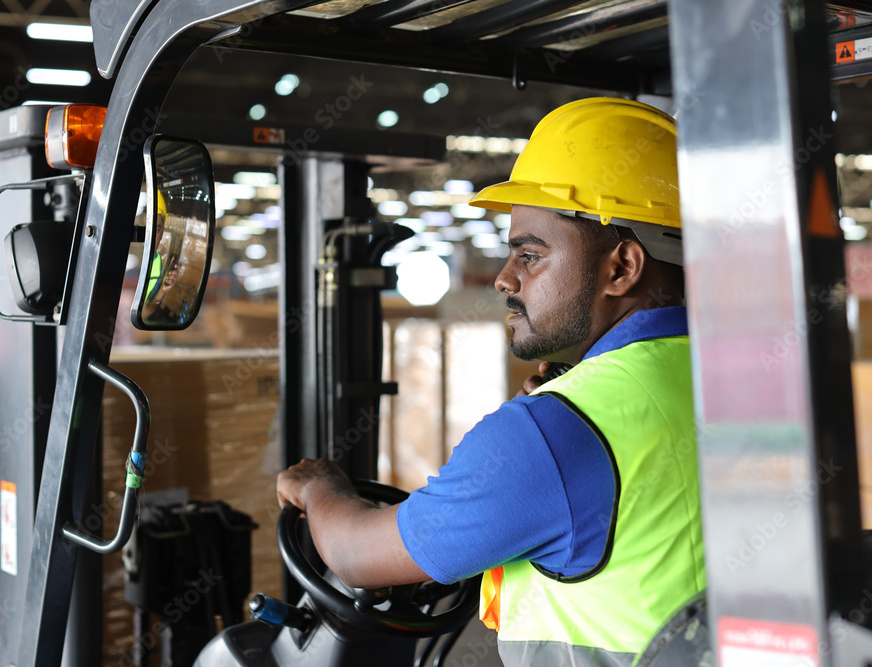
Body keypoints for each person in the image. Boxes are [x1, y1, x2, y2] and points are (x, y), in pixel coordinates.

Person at [276, 97, 705, 666]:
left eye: (530, 255)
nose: (504, 279)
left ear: (622, 267)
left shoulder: (555, 431)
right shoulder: (752, 384)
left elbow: (355, 555)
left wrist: (318, 488)